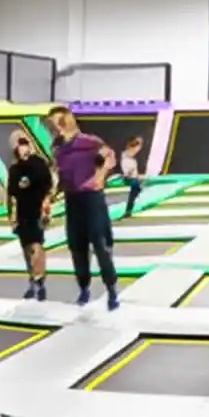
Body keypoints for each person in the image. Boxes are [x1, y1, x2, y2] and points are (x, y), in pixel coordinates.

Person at [47, 105, 121, 310]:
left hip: (92, 199)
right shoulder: (57, 148)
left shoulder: (89, 142)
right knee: (76, 245)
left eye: (58, 121)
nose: (55, 126)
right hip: (72, 200)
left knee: (100, 243)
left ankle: (112, 289)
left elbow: (110, 157)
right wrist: (53, 193)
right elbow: (59, 173)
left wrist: (99, 177)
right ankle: (84, 288)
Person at [7, 133, 54, 301]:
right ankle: (33, 279)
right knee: (27, 249)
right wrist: (11, 217)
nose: (22, 148)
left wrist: (47, 206)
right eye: (18, 145)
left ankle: (39, 280)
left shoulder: (38, 164)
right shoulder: (14, 170)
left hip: (38, 210)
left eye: (24, 144)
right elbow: (11, 194)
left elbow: (49, 186)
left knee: (36, 246)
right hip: (22, 213)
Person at [120, 136, 144, 217]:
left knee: (136, 190)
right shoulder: (127, 157)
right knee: (135, 189)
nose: (139, 149)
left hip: (133, 178)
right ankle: (128, 210)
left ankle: (129, 210)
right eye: (138, 146)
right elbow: (127, 170)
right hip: (130, 178)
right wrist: (128, 173)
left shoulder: (130, 157)